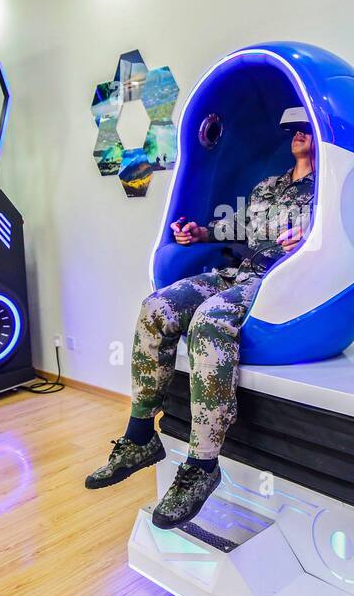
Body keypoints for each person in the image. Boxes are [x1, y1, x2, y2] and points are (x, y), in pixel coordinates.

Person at [85, 107, 317, 529]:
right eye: (292, 130)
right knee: (156, 306)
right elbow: (240, 229)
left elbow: (339, 243)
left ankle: (202, 464)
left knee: (209, 321)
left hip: (278, 284)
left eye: (306, 128)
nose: (298, 135)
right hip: (238, 273)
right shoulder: (269, 186)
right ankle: (139, 436)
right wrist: (201, 234)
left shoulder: (328, 195)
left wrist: (312, 237)